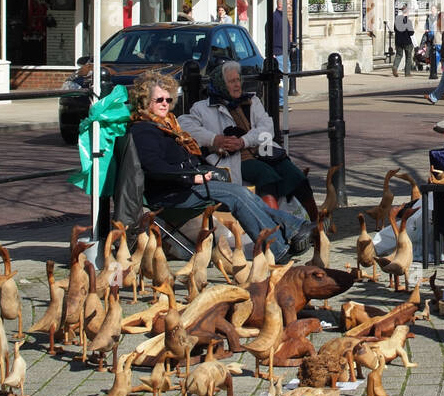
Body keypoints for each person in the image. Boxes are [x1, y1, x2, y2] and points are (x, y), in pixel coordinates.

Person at [128, 72, 310, 262]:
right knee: (236, 195)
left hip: (186, 185)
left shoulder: (167, 125)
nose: (165, 103)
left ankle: (290, 231)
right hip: (169, 195)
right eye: (159, 100)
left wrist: (200, 171)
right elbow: (154, 167)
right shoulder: (144, 130)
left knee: (241, 193)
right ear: (144, 101)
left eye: (168, 99)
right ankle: (280, 244)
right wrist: (191, 177)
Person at [179, 61, 319, 224]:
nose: (238, 85)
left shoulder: (252, 101)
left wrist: (243, 141)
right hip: (233, 159)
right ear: (220, 84)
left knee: (295, 176)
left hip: (262, 151)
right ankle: (275, 230)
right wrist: (215, 139)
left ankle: (316, 226)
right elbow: (185, 126)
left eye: (238, 80)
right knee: (266, 176)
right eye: (232, 81)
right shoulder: (202, 108)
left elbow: (267, 128)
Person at [392, 3, 414, 77]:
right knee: (408, 56)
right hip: (407, 41)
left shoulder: (397, 20)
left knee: (398, 55)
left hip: (398, 41)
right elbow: (411, 33)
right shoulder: (408, 21)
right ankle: (407, 73)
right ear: (407, 12)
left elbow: (394, 29)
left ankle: (395, 67)